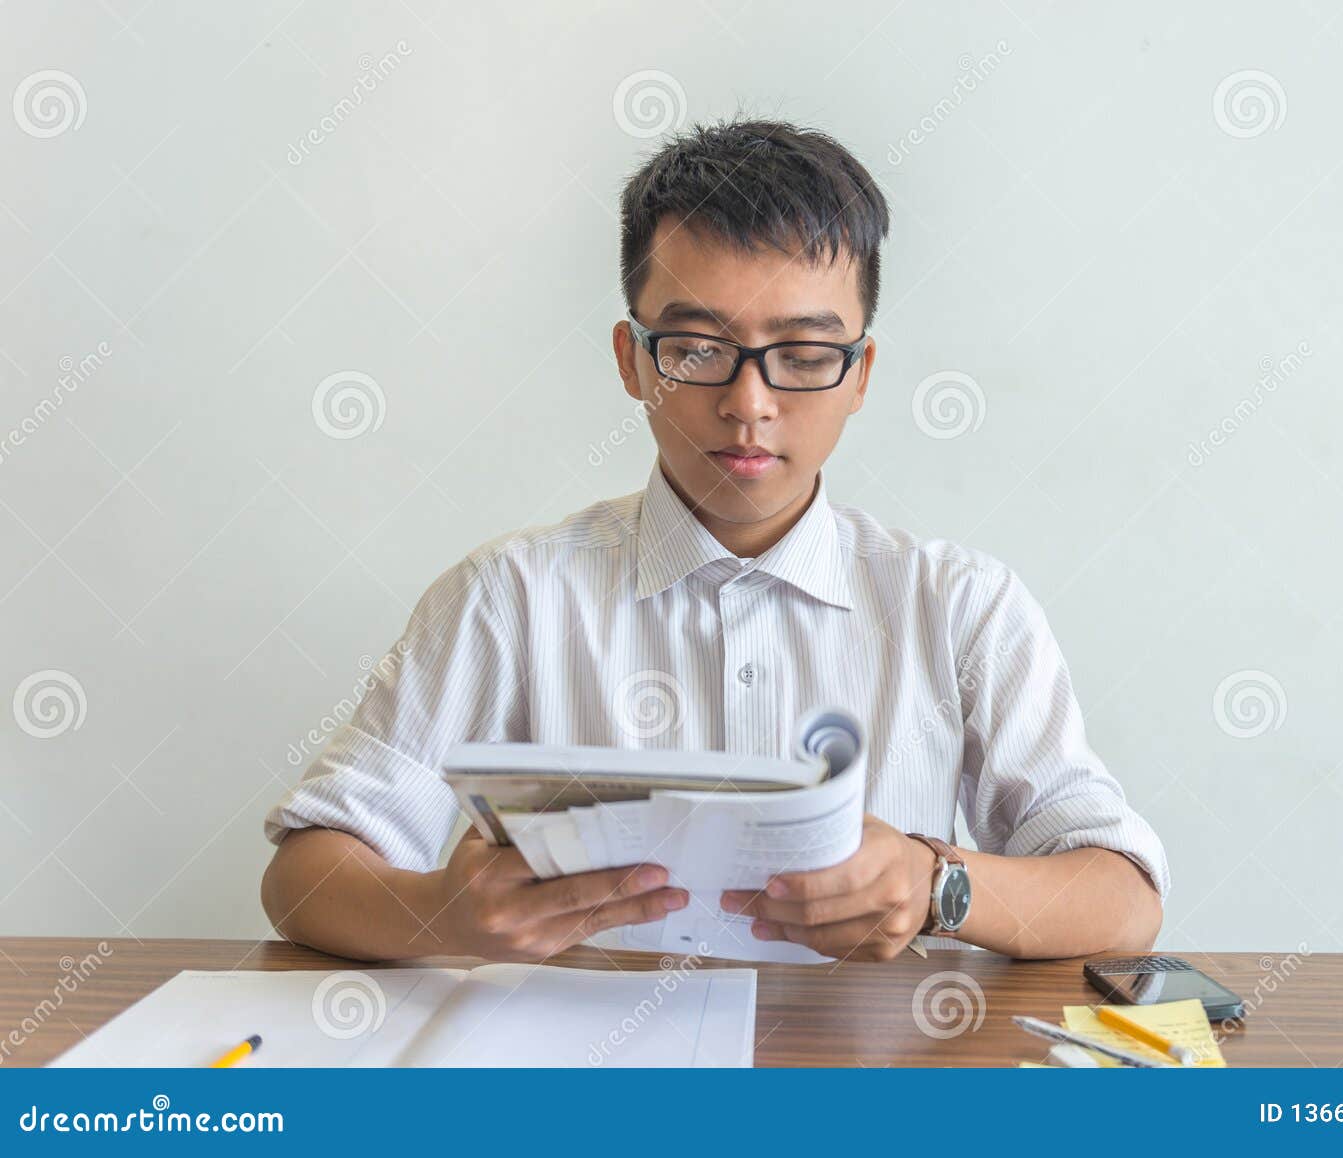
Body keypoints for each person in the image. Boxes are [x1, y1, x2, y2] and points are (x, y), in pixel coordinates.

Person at [260, 119, 1168, 963]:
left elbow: (1123, 898)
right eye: (696, 348)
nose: (749, 404)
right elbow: (303, 877)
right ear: (631, 360)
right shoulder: (511, 596)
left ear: (860, 376)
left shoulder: (962, 606)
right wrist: (444, 916)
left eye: (806, 355)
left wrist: (941, 883)